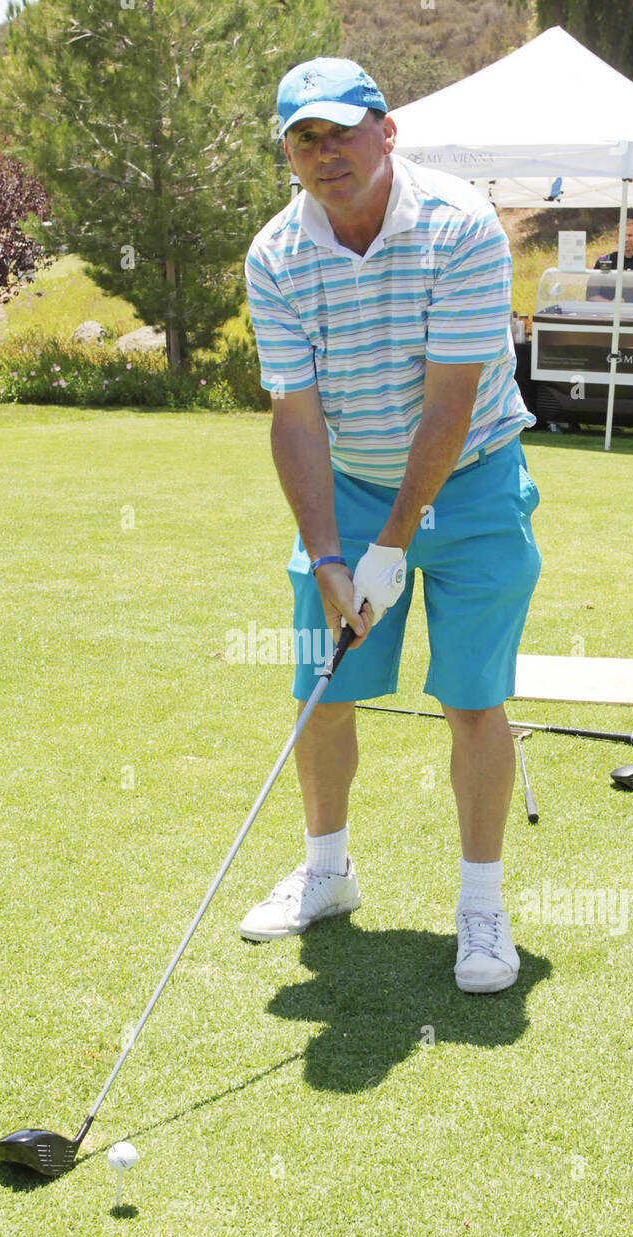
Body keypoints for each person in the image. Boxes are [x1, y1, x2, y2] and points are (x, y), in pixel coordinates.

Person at [242, 58, 540, 994]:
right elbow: (296, 415)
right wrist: (333, 555)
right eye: (304, 140)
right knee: (324, 689)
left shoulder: (459, 225)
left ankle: (481, 908)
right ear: (289, 154)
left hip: (478, 478)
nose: (325, 154)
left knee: (472, 697)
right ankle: (327, 874)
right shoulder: (276, 255)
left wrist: (394, 544)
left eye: (340, 132)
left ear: (387, 130)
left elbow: (451, 402)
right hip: (354, 487)